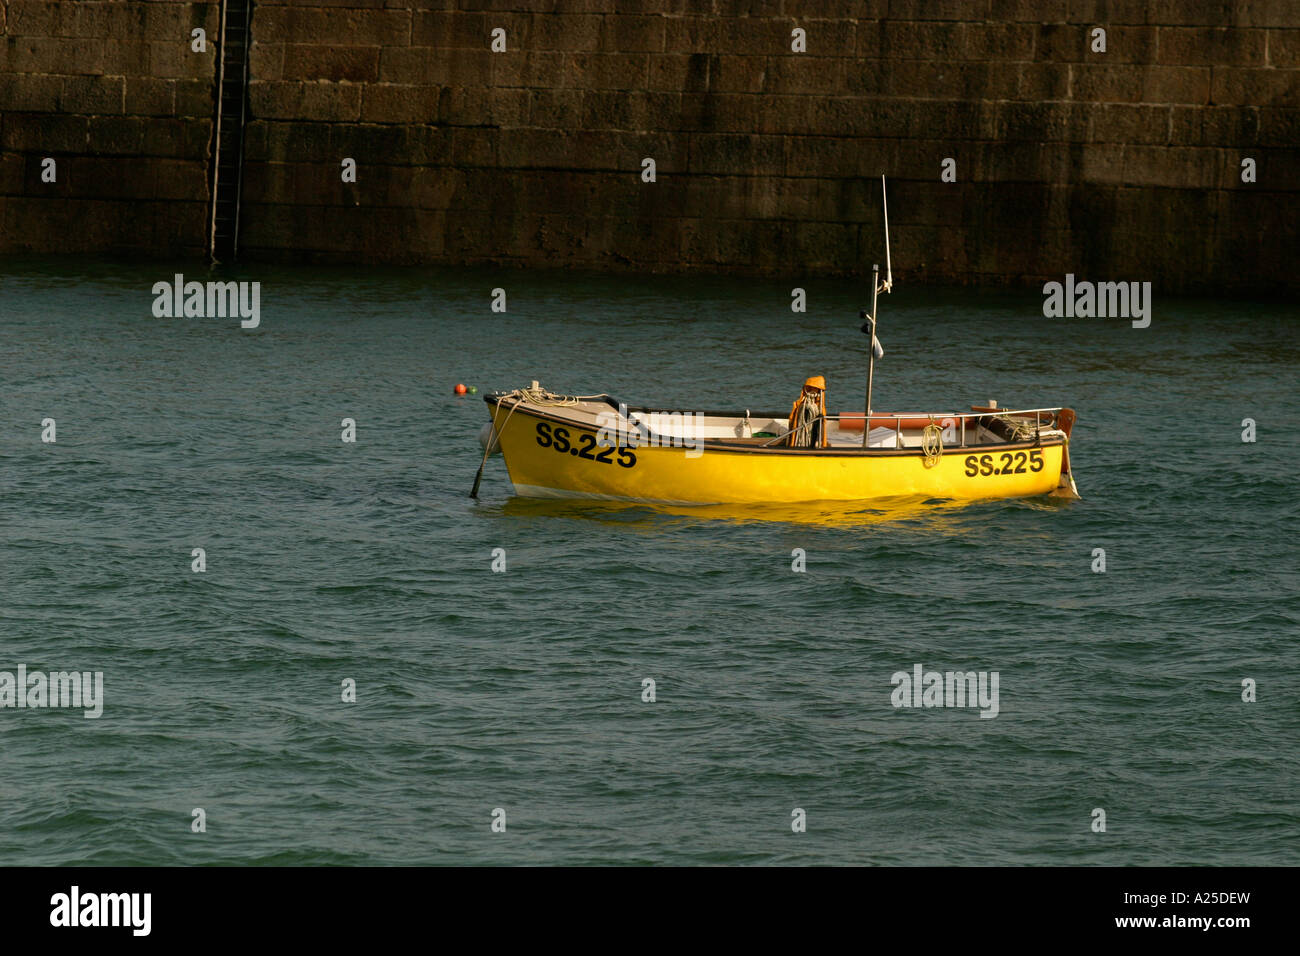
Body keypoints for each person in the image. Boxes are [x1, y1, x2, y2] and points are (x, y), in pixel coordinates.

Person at [787, 375, 828, 448]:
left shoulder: (819, 405)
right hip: (801, 437)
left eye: (815, 388)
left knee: (817, 422)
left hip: (814, 431)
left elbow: (823, 422)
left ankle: (812, 445)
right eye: (810, 387)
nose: (813, 389)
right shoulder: (801, 404)